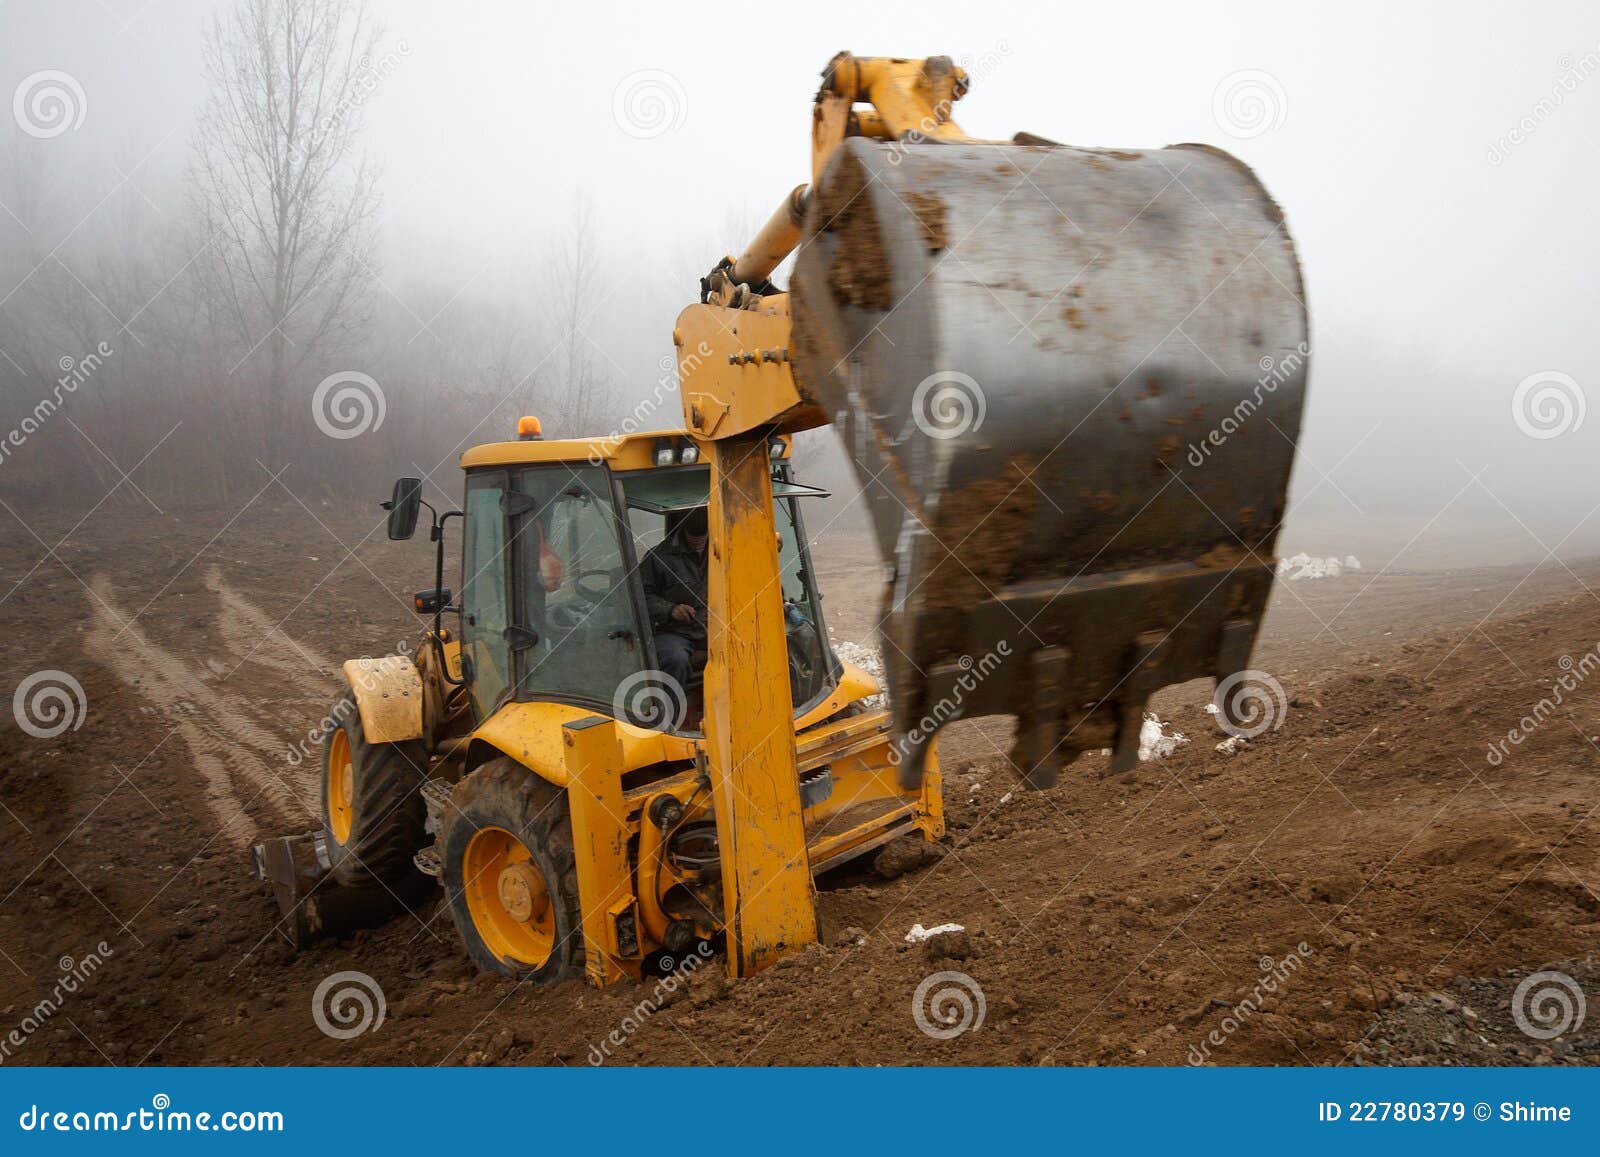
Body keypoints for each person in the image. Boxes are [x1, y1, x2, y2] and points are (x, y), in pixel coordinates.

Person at [641, 506, 709, 688]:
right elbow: (640, 597)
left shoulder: (729, 550)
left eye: (702, 539)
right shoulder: (658, 558)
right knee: (674, 658)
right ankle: (671, 713)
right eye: (694, 539)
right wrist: (670, 610)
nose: (698, 544)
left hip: (717, 630)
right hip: (676, 632)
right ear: (683, 529)